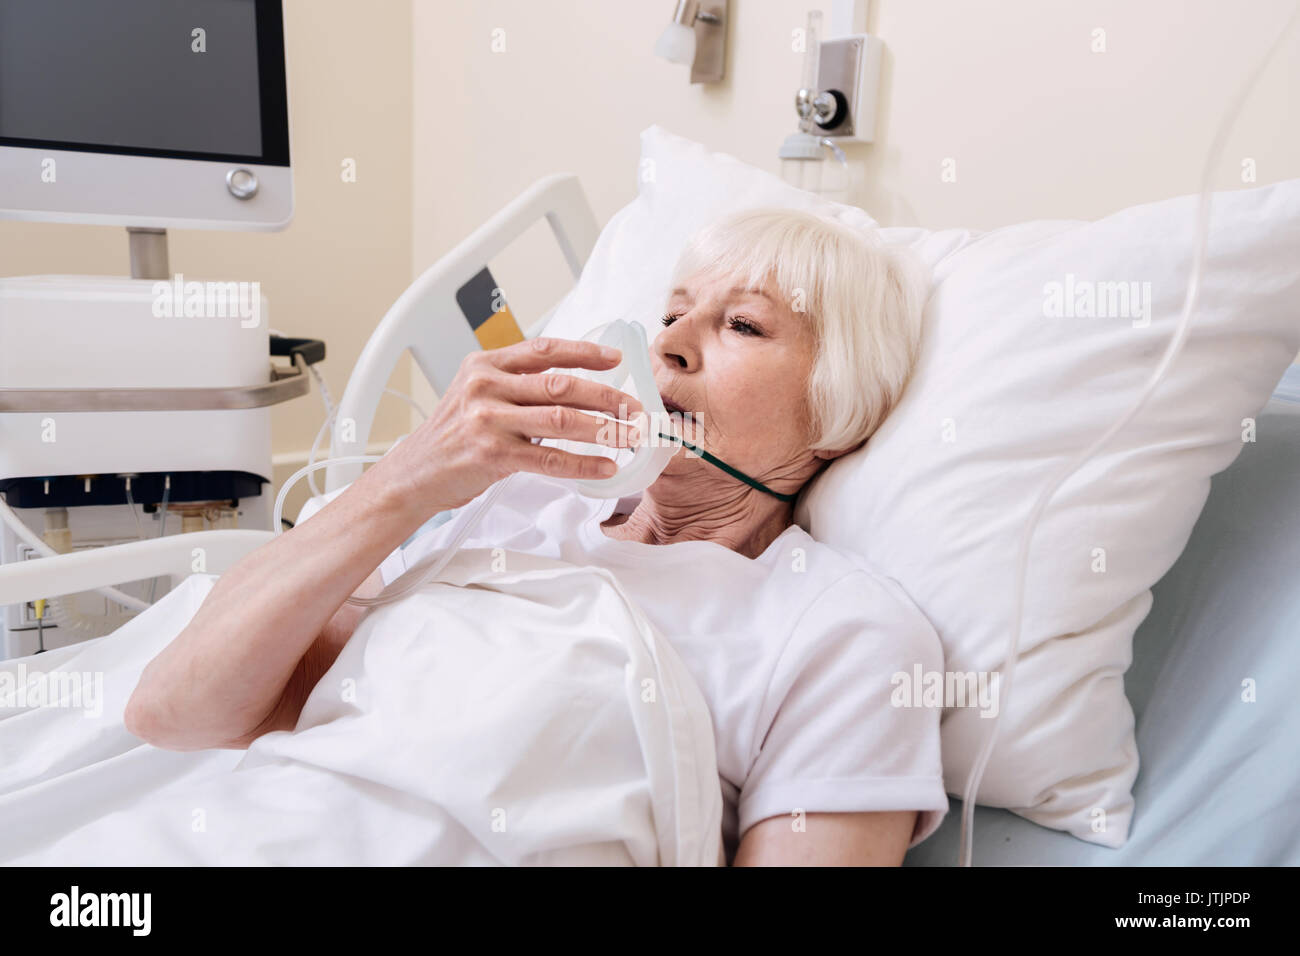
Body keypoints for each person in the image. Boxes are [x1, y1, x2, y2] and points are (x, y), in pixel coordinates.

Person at [126, 207, 947, 866]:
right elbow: (177, 711)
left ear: (840, 410)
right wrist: (409, 478)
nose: (667, 344)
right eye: (669, 314)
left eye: (742, 326)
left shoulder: (846, 634)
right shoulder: (516, 508)